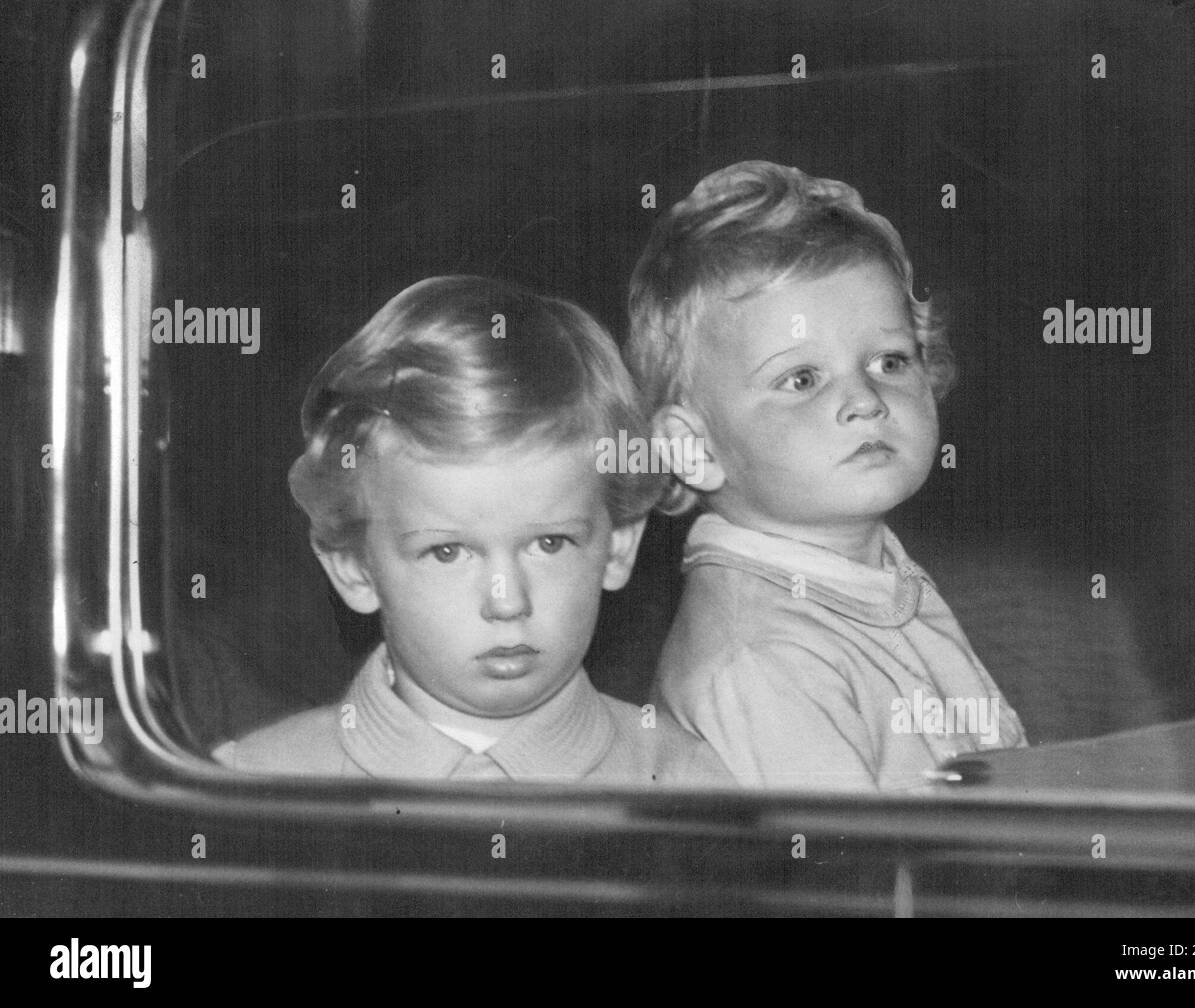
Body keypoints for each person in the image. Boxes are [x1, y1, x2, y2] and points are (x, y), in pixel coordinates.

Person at [214, 275, 730, 786]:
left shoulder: (684, 785)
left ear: (618, 546)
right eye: (447, 552)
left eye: (549, 543)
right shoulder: (250, 786)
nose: (507, 603)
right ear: (355, 568)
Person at [625, 161, 1027, 792]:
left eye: (889, 360)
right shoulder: (759, 661)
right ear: (693, 448)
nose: (866, 398)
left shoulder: (868, 571)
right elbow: (853, 880)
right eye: (802, 379)